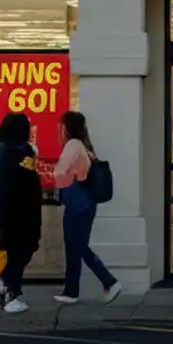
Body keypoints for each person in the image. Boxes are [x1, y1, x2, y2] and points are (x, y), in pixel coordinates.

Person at [52, 111, 122, 306]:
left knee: (77, 245)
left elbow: (60, 173)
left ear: (67, 128)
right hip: (86, 203)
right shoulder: (84, 145)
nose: (59, 131)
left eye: (61, 126)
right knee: (75, 246)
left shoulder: (73, 145)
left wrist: (50, 172)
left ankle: (109, 281)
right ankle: (71, 291)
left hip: (76, 202)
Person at [0, 113, 42, 314]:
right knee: (20, 251)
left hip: (11, 209)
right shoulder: (14, 150)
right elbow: (4, 182)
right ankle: (7, 288)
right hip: (19, 210)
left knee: (17, 251)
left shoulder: (0, 148)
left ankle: (14, 290)